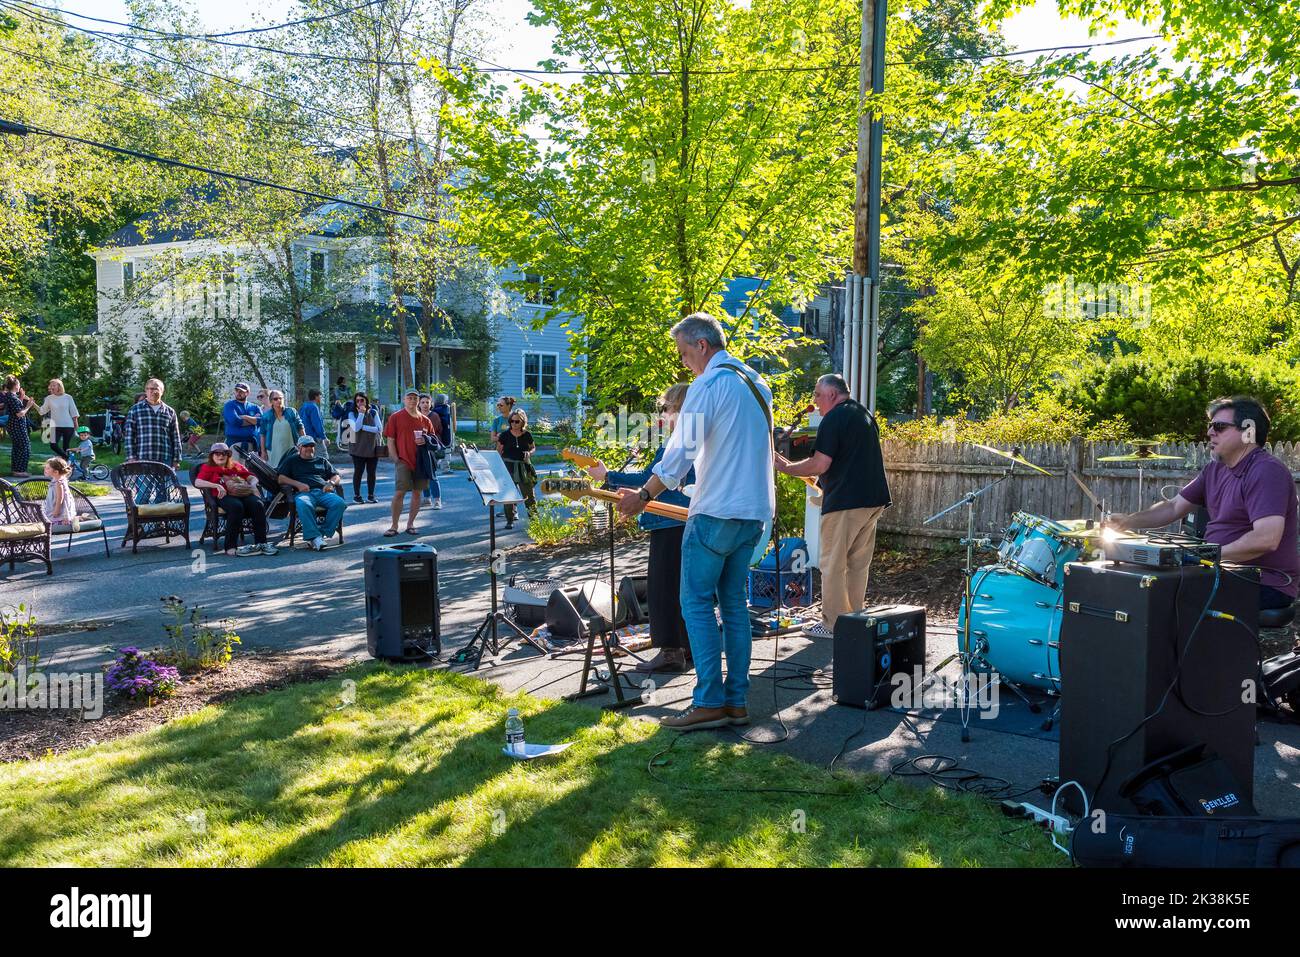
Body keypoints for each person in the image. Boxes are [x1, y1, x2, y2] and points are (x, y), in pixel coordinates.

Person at [617, 313, 775, 729]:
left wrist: (644, 494)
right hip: (754, 513)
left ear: (703, 346)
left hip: (715, 513)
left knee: (696, 604)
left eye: (686, 353)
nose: (685, 363)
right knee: (735, 608)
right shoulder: (758, 383)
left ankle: (708, 700)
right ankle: (736, 702)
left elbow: (678, 454)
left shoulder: (709, 384)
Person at [1108, 396, 1300, 610]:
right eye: (1210, 426)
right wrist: (1127, 521)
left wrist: (1201, 557)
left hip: (1264, 583)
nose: (1210, 432)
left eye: (1219, 426)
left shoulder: (1266, 471)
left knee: (1158, 596)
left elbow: (1266, 539)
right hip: (1221, 572)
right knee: (1138, 580)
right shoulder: (1214, 470)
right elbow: (1173, 507)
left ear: (1248, 432)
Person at [775, 373, 892, 639]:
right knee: (857, 564)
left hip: (846, 502)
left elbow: (819, 464)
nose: (815, 401)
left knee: (832, 563)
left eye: (817, 394)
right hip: (872, 500)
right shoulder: (863, 415)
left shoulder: (834, 418)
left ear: (831, 394)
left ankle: (833, 625)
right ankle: (853, 621)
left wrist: (785, 467)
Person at [589, 383, 694, 672]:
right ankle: (687, 648)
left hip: (669, 520)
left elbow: (652, 477)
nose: (663, 414)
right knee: (684, 590)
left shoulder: (680, 440)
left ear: (678, 409)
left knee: (662, 589)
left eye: (667, 409)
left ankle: (671, 651)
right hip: (686, 520)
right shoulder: (697, 437)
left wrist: (606, 474)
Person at [193, 442, 276, 557]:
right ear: (212, 455)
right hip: (223, 496)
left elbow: (251, 477)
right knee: (236, 507)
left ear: (228, 455)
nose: (221, 456)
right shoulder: (208, 467)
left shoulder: (235, 465)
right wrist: (216, 485)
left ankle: (261, 543)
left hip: (243, 492)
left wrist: (252, 485)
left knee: (258, 504)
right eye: (217, 453)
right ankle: (230, 546)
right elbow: (198, 482)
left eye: (224, 453)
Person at [276, 435, 346, 551]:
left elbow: (336, 475)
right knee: (304, 504)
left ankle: (319, 535)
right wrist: (298, 484)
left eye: (312, 445)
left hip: (323, 492)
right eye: (306, 446)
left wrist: (331, 484)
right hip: (304, 493)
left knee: (339, 503)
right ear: (299, 447)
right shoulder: (292, 460)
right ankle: (315, 537)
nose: (309, 448)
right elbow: (281, 478)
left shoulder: (321, 460)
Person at [382, 389, 435, 536]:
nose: (412, 400)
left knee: (417, 493)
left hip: (421, 462)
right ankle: (394, 526)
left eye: (415, 398)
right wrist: (395, 458)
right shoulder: (396, 417)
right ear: (404, 400)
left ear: (418, 401)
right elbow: (390, 439)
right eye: (409, 398)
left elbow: (434, 441)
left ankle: (410, 524)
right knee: (400, 492)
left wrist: (425, 439)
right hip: (403, 460)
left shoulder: (426, 420)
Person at [123, 378, 181, 471]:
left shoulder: (170, 412)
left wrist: (176, 459)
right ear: (145, 391)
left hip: (164, 458)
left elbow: (175, 437)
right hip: (142, 458)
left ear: (161, 391)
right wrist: (131, 457)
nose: (151, 391)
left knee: (165, 486)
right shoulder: (135, 410)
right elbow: (129, 435)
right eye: (148, 389)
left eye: (155, 388)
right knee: (143, 486)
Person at [498, 408, 536, 529]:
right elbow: (498, 452)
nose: (514, 424)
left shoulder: (527, 435)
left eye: (517, 422)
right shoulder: (504, 435)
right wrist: (497, 468)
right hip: (508, 467)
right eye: (512, 421)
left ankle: (534, 520)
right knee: (508, 496)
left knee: (529, 495)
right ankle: (510, 520)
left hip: (523, 467)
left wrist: (529, 453)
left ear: (523, 422)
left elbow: (533, 448)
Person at [347, 392, 383, 504]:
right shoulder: (352, 413)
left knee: (371, 472)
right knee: (358, 472)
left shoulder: (373, 412)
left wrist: (364, 427)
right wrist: (361, 414)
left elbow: (379, 428)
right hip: (357, 448)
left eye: (362, 400)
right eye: (357, 401)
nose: (360, 403)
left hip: (372, 447)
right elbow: (356, 428)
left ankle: (371, 495)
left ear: (366, 401)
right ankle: (357, 496)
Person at [258, 390, 305, 468]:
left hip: (291, 448)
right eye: (275, 399)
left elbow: (300, 428)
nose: (279, 400)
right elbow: (262, 434)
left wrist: (304, 444)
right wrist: (263, 452)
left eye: (281, 398)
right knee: (274, 472)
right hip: (273, 450)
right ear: (271, 401)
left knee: (292, 470)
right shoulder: (266, 416)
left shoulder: (291, 412)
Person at [2, 376, 36, 476]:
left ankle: (16, 470)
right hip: (17, 425)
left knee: (18, 447)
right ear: (16, 386)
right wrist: (29, 406)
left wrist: (21, 397)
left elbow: (16, 407)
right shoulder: (12, 397)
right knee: (24, 447)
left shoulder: (11, 396)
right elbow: (19, 413)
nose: (20, 386)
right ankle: (20, 471)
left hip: (15, 425)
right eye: (19, 384)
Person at [39, 379, 79, 461]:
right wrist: (32, 404)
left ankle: (67, 466)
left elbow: (74, 412)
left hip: (68, 426)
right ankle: (69, 459)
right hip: (55, 426)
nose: (51, 387)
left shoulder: (68, 397)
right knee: (53, 445)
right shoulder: (49, 398)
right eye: (51, 386)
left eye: (54, 385)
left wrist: (76, 425)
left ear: (59, 386)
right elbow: (42, 411)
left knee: (66, 447)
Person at [418, 393, 443, 510]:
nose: (425, 404)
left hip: (431, 448)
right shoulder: (416, 416)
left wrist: (426, 437)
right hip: (419, 448)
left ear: (431, 403)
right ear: (419, 403)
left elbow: (437, 431)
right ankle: (427, 498)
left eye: (427, 402)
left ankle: (437, 500)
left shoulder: (434, 416)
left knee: (432, 475)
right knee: (423, 475)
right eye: (422, 402)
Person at [222, 382, 261, 456]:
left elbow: (262, 422)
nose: (238, 393)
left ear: (247, 393)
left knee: (250, 467)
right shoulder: (230, 405)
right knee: (234, 466)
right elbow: (235, 421)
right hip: (234, 443)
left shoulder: (255, 407)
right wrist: (253, 420)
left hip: (252, 443)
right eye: (237, 391)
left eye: (241, 391)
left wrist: (245, 417)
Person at [41, 456, 78, 529]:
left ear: (56, 472)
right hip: (54, 506)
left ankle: (77, 520)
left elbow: (60, 498)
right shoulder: (57, 479)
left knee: (53, 522)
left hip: (59, 509)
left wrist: (56, 511)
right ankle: (78, 518)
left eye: (48, 468)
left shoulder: (58, 483)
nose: (45, 469)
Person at [300, 389, 329, 456]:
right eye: (320, 396)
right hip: (315, 437)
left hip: (305, 437)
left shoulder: (303, 406)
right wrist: (324, 437)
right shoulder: (314, 407)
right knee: (323, 457)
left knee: (308, 457)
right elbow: (317, 424)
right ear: (316, 397)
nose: (321, 398)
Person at [432, 393, 453, 474]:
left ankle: (434, 467)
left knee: (438, 451)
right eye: (446, 400)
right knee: (447, 452)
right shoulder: (445, 409)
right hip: (444, 434)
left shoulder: (434, 410)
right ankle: (445, 469)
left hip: (438, 435)